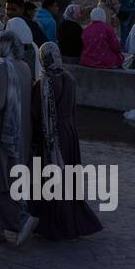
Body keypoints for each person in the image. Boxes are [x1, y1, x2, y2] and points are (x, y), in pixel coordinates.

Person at [30, 42, 103, 241]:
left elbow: (36, 115)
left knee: (51, 181)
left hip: (53, 136)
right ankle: (72, 222)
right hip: (69, 132)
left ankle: (55, 225)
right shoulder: (68, 77)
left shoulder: (45, 83)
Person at [0, 28, 38, 248]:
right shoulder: (24, 66)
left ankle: (20, 220)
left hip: (0, 131)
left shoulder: (3, 67)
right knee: (10, 178)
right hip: (21, 131)